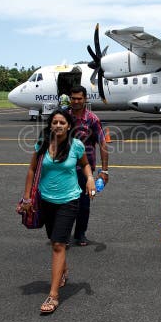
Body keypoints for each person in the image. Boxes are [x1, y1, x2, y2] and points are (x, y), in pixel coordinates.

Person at [21, 108, 96, 314]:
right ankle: (63, 269)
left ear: (69, 126)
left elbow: (85, 165)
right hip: (45, 201)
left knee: (57, 245)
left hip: (69, 201)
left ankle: (53, 295)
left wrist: (89, 178)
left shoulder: (76, 146)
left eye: (62, 122)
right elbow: (31, 170)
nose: (58, 126)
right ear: (50, 124)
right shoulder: (43, 144)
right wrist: (27, 197)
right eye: (55, 122)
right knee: (56, 241)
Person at [68, 86, 109, 246]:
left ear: (85, 99)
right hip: (66, 168)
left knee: (84, 204)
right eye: (73, 98)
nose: (76, 101)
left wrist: (104, 171)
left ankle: (80, 234)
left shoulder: (92, 119)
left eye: (79, 98)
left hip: (85, 169)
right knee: (65, 202)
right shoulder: (64, 116)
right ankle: (63, 233)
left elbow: (102, 144)